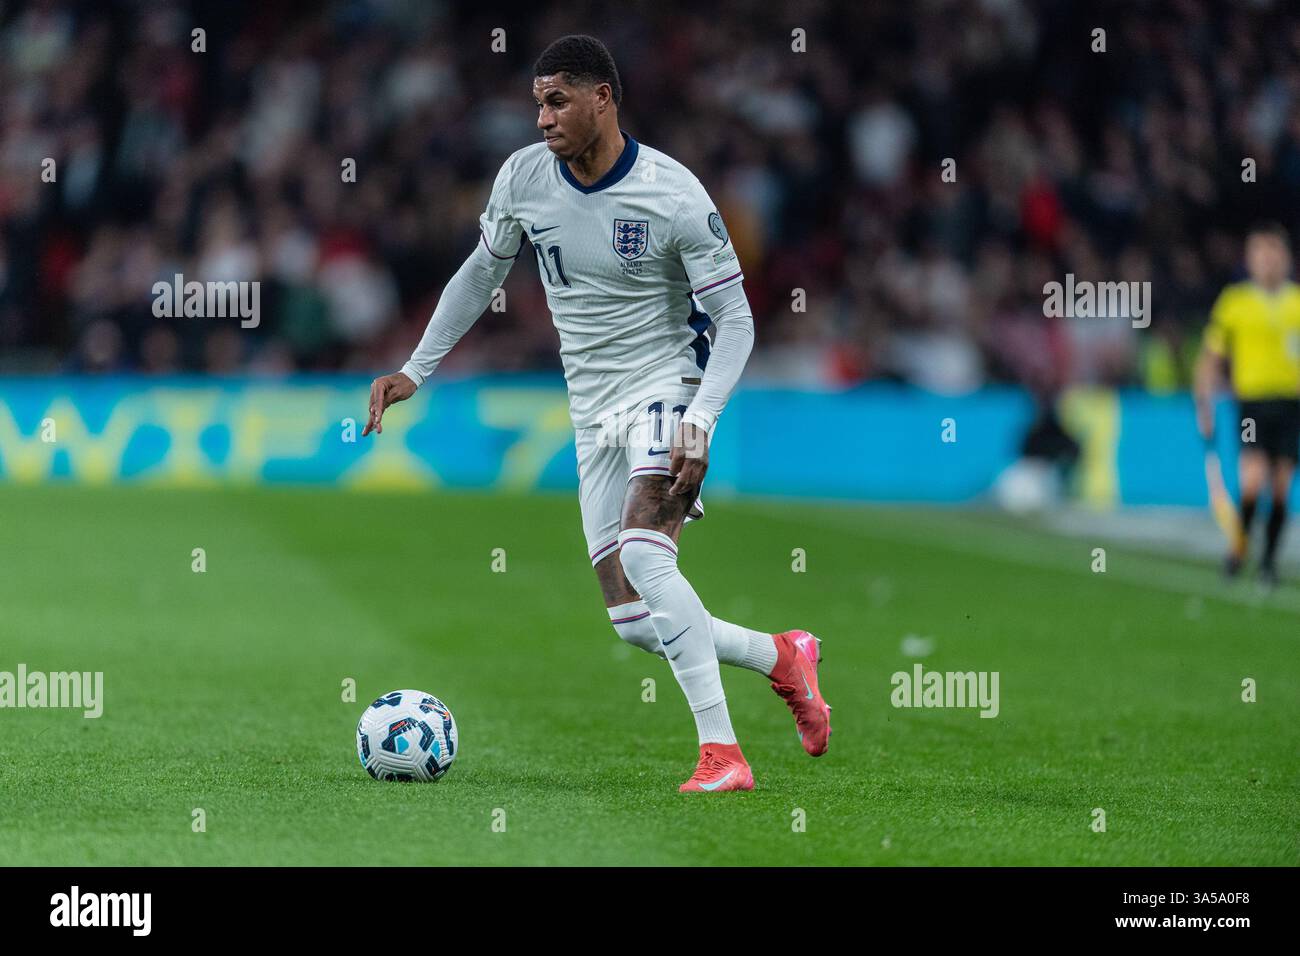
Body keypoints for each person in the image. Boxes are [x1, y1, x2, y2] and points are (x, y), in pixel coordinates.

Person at [363, 35, 831, 792]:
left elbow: (737, 322)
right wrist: (416, 368)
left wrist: (700, 419)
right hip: (592, 413)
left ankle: (724, 755)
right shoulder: (522, 179)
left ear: (602, 99)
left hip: (665, 387)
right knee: (633, 620)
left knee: (649, 555)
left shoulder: (673, 194)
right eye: (537, 102)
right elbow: (479, 271)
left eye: (557, 100)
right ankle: (782, 656)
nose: (542, 117)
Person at [1195, 222, 1300, 585]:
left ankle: (1269, 562)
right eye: (1260, 252)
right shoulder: (1235, 302)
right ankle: (1240, 546)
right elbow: (1211, 357)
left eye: (1274, 252)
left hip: (1291, 405)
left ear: (1286, 258)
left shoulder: (1297, 303)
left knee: (1283, 486)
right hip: (1252, 404)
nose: (1268, 260)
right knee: (1253, 479)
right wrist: (1203, 400)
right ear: (1250, 259)